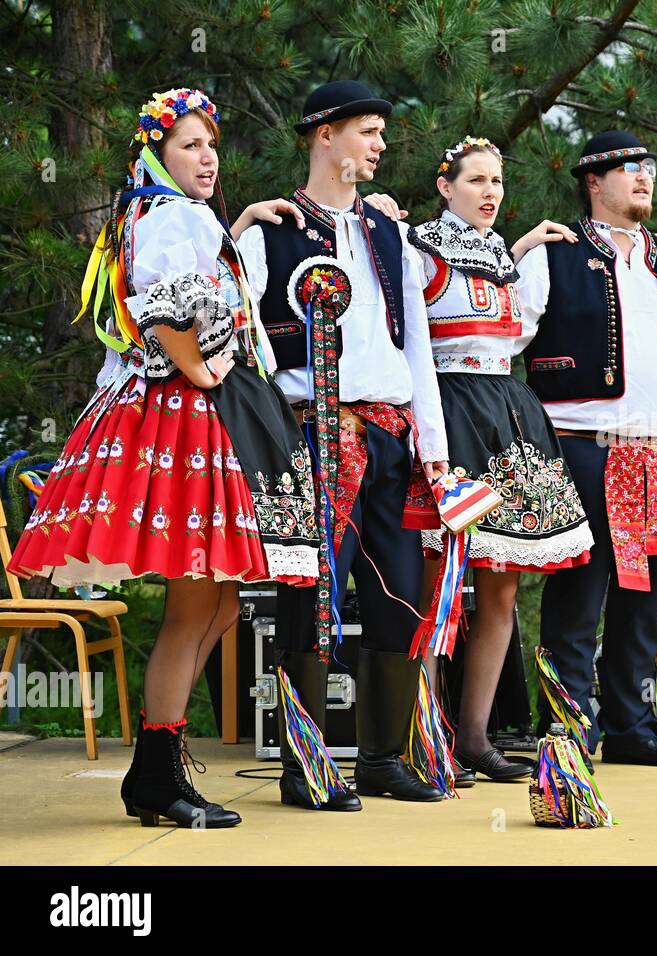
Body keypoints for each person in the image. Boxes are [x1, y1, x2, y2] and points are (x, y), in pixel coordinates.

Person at [8, 88, 319, 828]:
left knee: (212, 598)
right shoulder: (170, 215)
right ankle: (156, 773)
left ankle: (158, 767)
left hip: (192, 412)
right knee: (197, 600)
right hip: (183, 418)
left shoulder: (166, 214)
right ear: (156, 155)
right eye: (189, 146)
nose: (206, 157)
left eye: (211, 145)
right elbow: (167, 309)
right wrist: (203, 369)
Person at [236, 80, 450, 809]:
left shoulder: (388, 233)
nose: (380, 145)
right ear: (323, 135)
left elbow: (414, 346)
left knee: (397, 596)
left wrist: (435, 445)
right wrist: (273, 433)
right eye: (367, 131)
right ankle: (304, 766)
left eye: (381, 134)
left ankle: (383, 759)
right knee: (310, 599)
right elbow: (242, 337)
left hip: (390, 436)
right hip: (310, 433)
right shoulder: (269, 231)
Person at [513, 130, 657, 768]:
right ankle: (567, 728)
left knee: (647, 597)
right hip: (582, 446)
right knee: (579, 593)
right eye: (628, 169)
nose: (643, 179)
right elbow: (501, 338)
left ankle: (633, 728)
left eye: (648, 169)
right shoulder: (551, 254)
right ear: (593, 181)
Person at [400, 135, 595, 781]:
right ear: (444, 185)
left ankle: (476, 737)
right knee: (441, 585)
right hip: (452, 415)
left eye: (498, 182)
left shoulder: (500, 257)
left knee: (502, 586)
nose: (490, 192)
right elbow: (416, 347)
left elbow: (500, 326)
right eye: (477, 180)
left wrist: (520, 249)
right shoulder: (418, 251)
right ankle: (423, 737)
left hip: (508, 415)